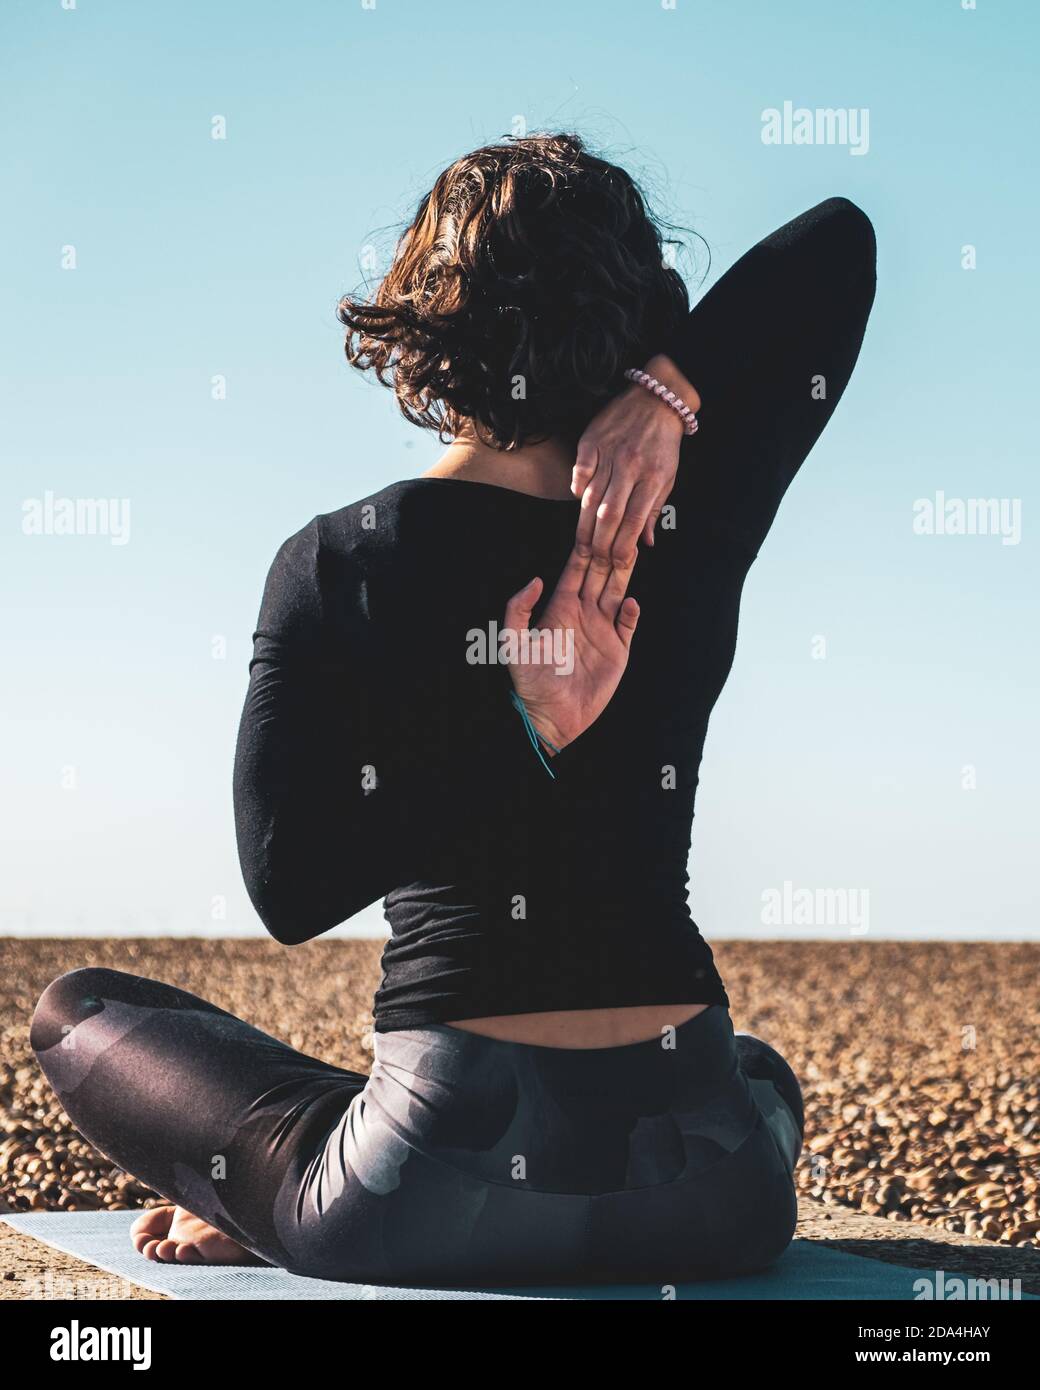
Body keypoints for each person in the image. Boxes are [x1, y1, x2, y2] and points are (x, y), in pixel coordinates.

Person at [31, 133, 875, 1285]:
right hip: (709, 1192)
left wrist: (518, 730)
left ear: (426, 321)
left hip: (423, 1195)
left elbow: (290, 886)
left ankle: (259, 1190)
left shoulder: (339, 561)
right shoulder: (692, 503)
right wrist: (669, 395)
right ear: (639, 310)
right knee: (756, 1073)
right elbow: (840, 244)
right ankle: (283, 1171)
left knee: (77, 1010)